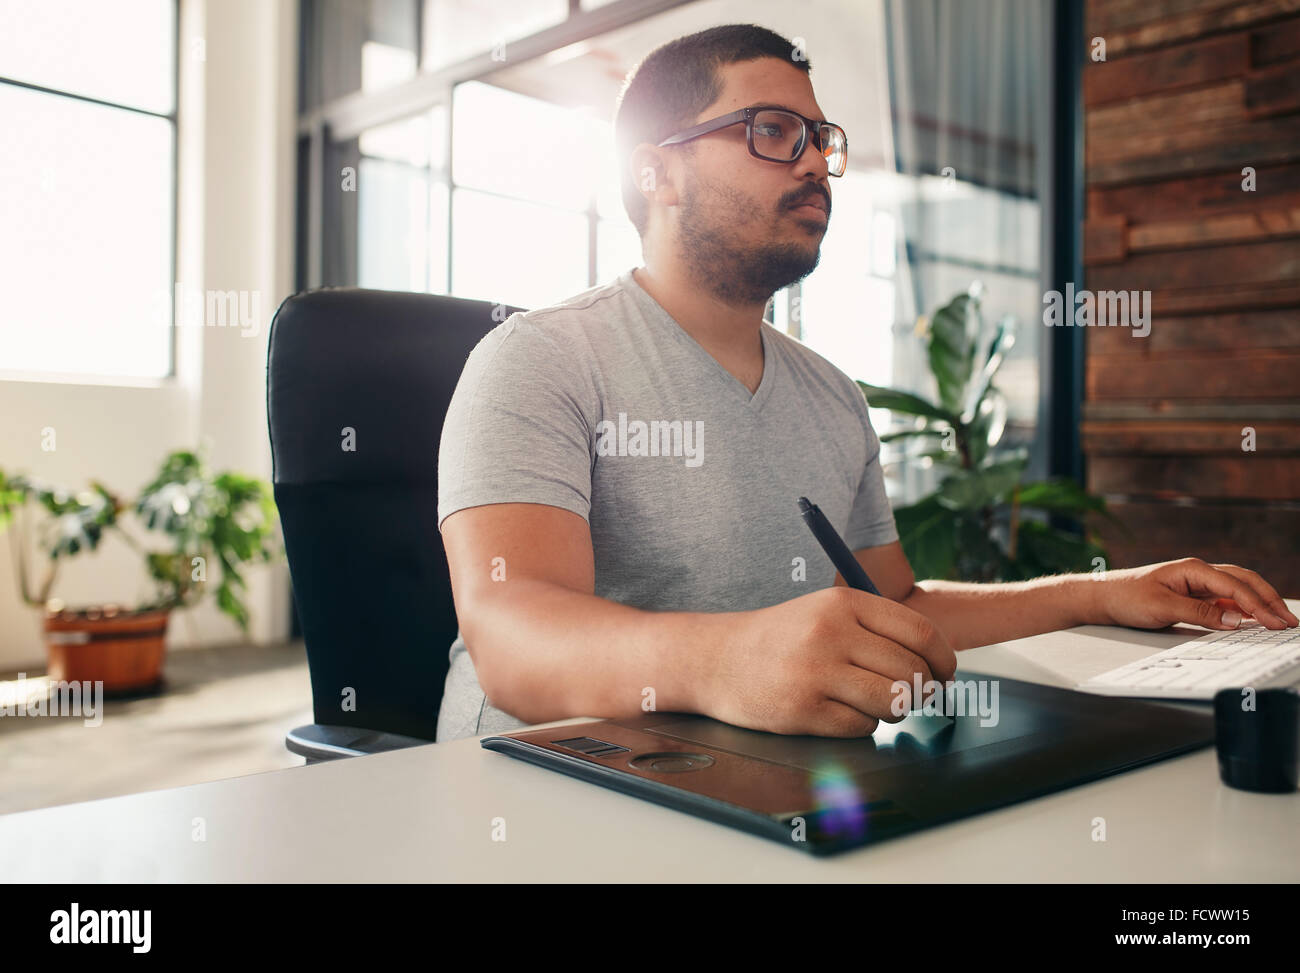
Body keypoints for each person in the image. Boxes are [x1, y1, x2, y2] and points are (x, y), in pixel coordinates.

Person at [434, 23, 1297, 742]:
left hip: (746, 785)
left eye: (820, 140)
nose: (813, 163)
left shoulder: (831, 394)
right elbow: (514, 635)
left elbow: (898, 602)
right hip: (539, 792)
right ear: (654, 170)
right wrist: (726, 661)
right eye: (773, 131)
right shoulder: (540, 358)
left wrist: (1102, 591)